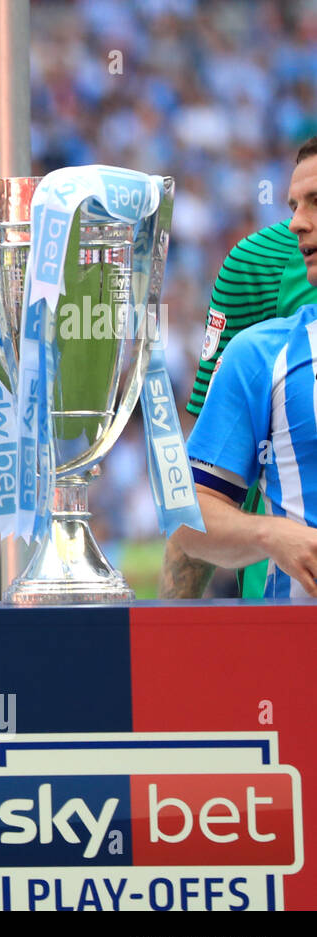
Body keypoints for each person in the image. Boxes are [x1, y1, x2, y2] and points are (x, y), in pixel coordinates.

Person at [171, 139, 317, 596]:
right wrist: (271, 535)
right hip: (287, 645)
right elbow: (192, 514)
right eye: (294, 204)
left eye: (315, 202)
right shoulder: (258, 277)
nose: (297, 222)